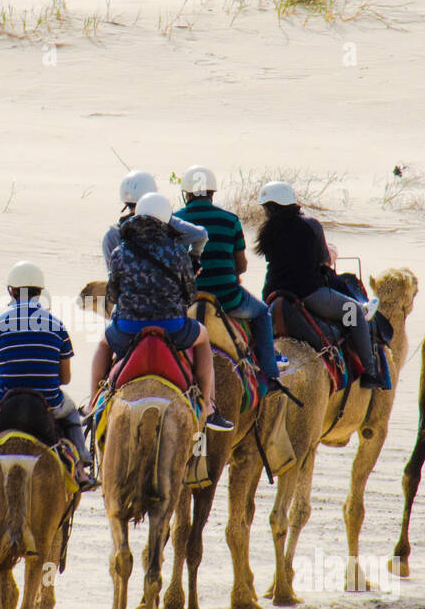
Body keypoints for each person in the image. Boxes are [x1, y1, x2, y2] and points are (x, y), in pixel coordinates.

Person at [89, 192, 234, 431]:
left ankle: (93, 404)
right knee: (203, 336)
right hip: (172, 327)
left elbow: (113, 295)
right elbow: (189, 295)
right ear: (167, 219)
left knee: (104, 343)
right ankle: (208, 406)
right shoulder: (178, 252)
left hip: (129, 327)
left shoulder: (120, 251)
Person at [0, 261, 94, 486]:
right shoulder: (57, 325)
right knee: (71, 414)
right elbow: (66, 378)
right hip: (48, 399)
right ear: (40, 292)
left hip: (4, 396)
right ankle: (81, 466)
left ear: (11, 291)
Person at [255, 181, 383, 389]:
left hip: (272, 293)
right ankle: (370, 372)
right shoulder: (310, 225)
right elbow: (324, 259)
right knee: (354, 312)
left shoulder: (266, 233)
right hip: (309, 293)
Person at [173, 165, 284, 393]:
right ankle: (271, 375)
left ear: (187, 194)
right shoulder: (230, 220)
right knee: (262, 313)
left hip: (187, 301)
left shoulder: (175, 221)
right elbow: (241, 266)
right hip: (228, 299)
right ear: (212, 193)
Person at [104, 170, 207, 273]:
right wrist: (193, 257)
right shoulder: (167, 222)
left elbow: (112, 275)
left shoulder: (113, 233)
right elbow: (200, 235)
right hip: (167, 286)